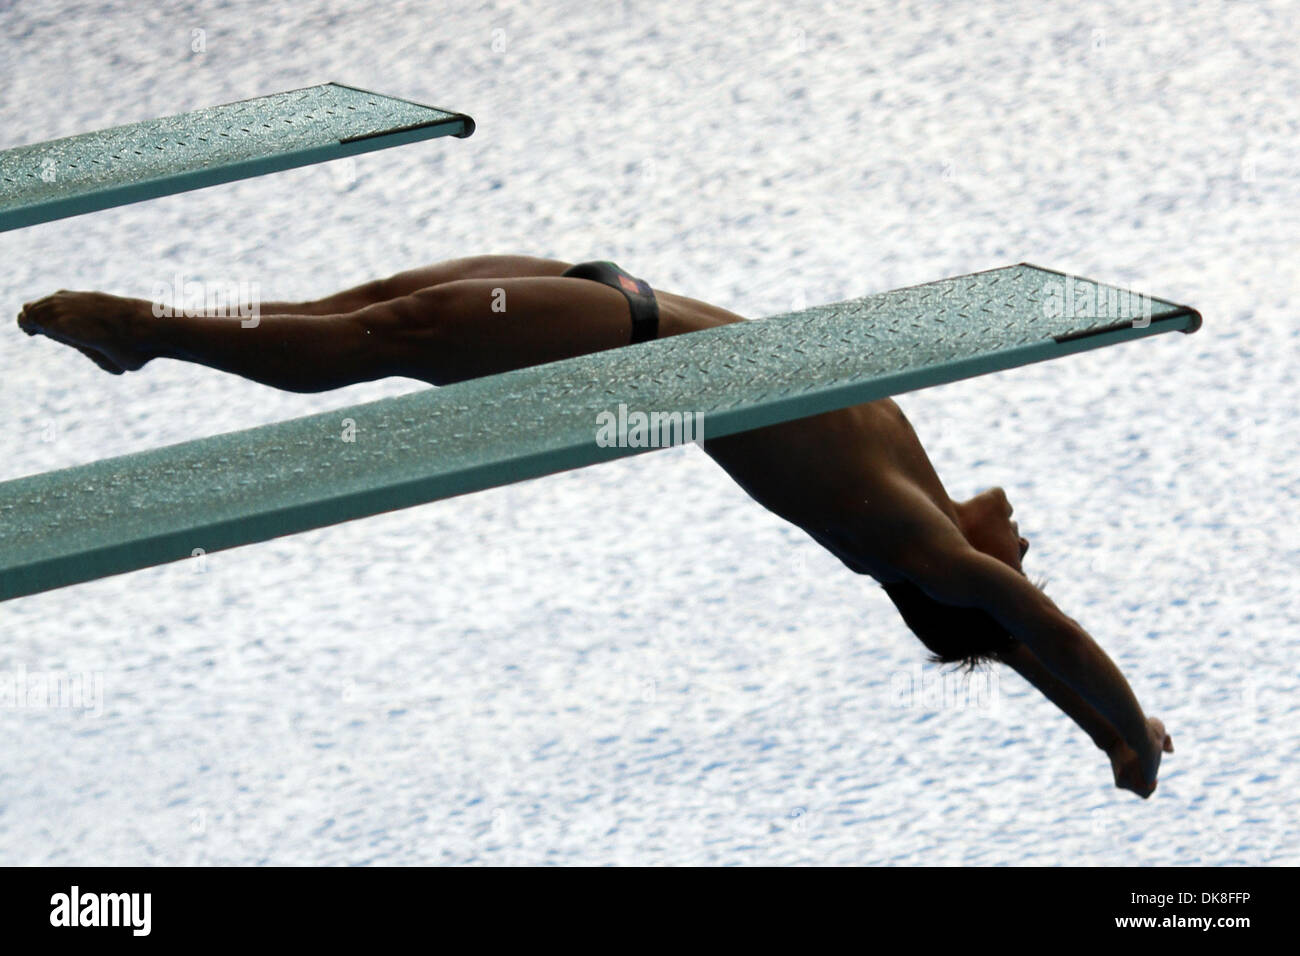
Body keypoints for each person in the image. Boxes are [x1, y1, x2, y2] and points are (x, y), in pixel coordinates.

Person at [15, 253, 1173, 796]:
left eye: (1018, 567)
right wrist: (1081, 706)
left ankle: (143, 327)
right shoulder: (912, 497)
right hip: (608, 295)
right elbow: (1028, 648)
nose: (1029, 544)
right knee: (354, 313)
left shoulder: (916, 545)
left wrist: (1122, 736)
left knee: (389, 337)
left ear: (970, 586)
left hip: (614, 341)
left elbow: (1042, 633)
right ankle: (149, 327)